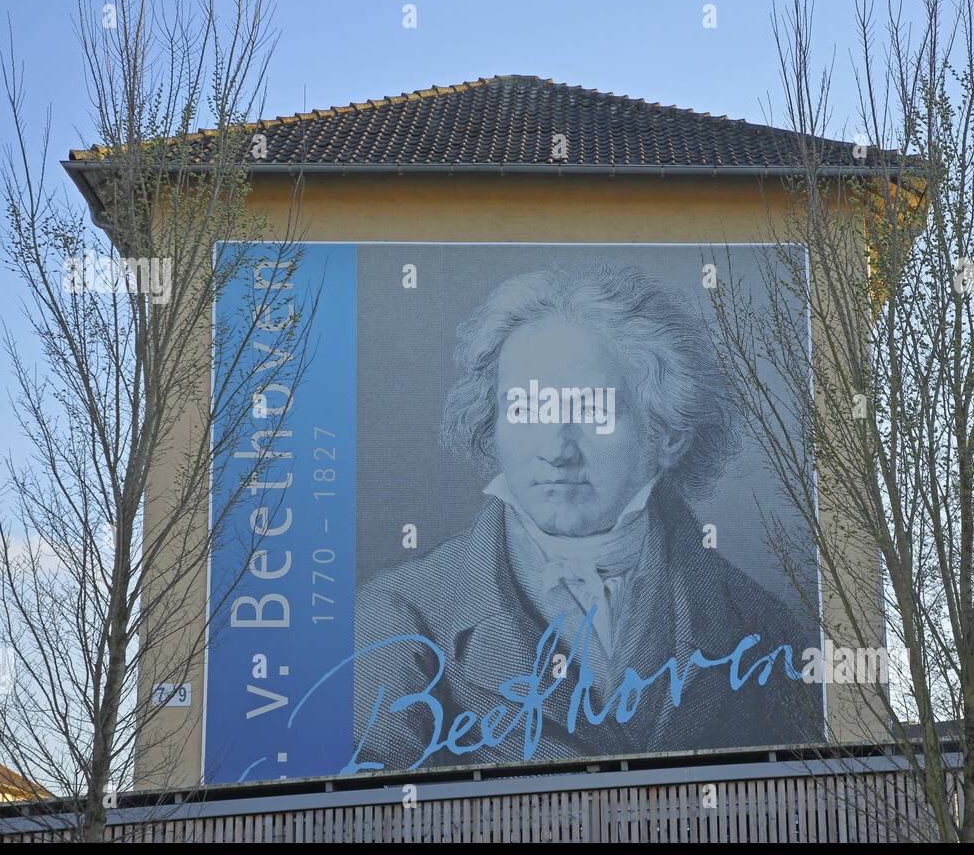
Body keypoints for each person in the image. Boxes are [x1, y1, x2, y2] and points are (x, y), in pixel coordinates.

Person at [351, 264, 821, 771]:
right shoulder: (401, 615)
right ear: (491, 427)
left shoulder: (757, 622)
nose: (557, 450)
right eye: (527, 410)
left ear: (668, 436)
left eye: (593, 410)